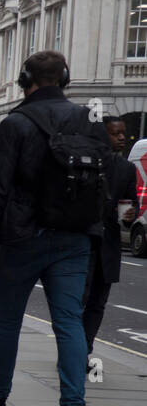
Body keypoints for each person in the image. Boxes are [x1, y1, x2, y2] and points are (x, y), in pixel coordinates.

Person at [0, 50, 112, 406]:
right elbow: (105, 182)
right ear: (64, 79)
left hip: (22, 238)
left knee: (9, 321)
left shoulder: (15, 123)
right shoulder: (90, 119)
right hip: (75, 238)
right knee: (68, 323)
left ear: (25, 80)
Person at [83, 116, 139, 367]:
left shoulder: (127, 169)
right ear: (102, 135)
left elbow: (129, 205)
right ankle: (73, 351)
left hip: (109, 245)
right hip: (83, 242)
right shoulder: (85, 162)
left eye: (123, 133)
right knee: (76, 301)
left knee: (97, 303)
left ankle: (84, 350)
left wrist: (130, 215)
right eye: (115, 133)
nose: (121, 138)